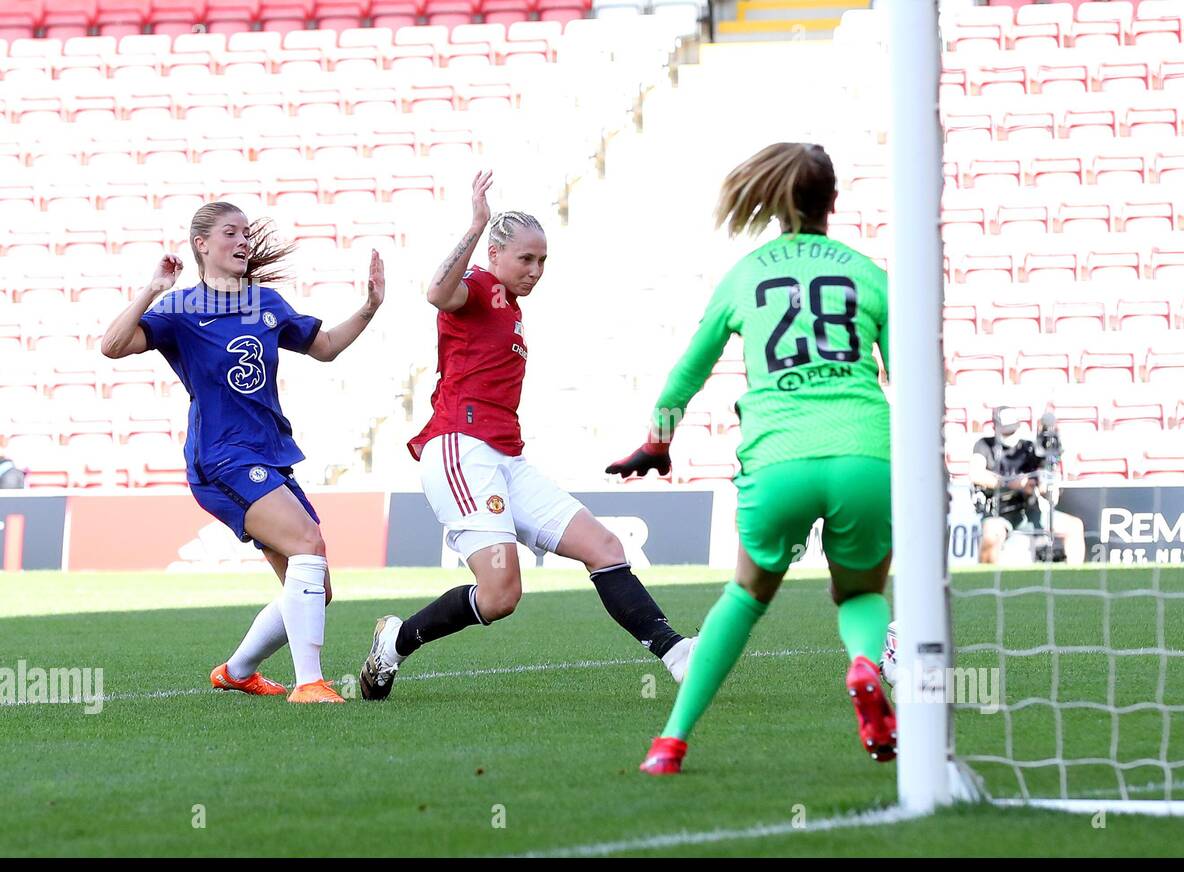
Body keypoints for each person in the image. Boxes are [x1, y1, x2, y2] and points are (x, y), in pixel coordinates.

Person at [606, 142, 896, 776]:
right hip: (864, 453)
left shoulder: (747, 275)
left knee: (745, 596)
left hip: (777, 458)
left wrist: (658, 440)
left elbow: (690, 368)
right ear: (833, 203)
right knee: (858, 592)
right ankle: (866, 668)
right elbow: (914, 376)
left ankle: (671, 742)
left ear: (774, 203)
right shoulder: (867, 273)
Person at [359, 171, 697, 700]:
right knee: (500, 596)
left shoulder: (509, 308)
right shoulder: (476, 285)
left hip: (505, 457)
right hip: (459, 449)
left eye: (542, 262)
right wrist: (474, 224)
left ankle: (678, 654)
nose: (536, 271)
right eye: (526, 259)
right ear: (495, 254)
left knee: (605, 547)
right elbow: (435, 292)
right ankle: (396, 641)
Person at [101, 201, 386, 703]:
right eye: (230, 233)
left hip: (270, 453)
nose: (242, 242)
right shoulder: (180, 308)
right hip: (221, 457)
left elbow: (325, 348)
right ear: (202, 244)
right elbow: (113, 345)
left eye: (246, 234)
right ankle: (310, 684)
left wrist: (368, 308)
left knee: (316, 590)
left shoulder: (266, 302)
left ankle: (236, 672)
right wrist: (151, 289)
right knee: (306, 544)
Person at [969, 411, 1084, 565]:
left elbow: (1044, 480)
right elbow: (976, 474)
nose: (1010, 434)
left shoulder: (1030, 448)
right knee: (991, 535)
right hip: (999, 511)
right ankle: (986, 582)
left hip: (1030, 510)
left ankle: (1075, 578)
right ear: (996, 427)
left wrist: (1046, 486)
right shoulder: (984, 445)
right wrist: (1011, 483)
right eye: (1006, 430)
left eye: (1012, 429)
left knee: (1074, 527)